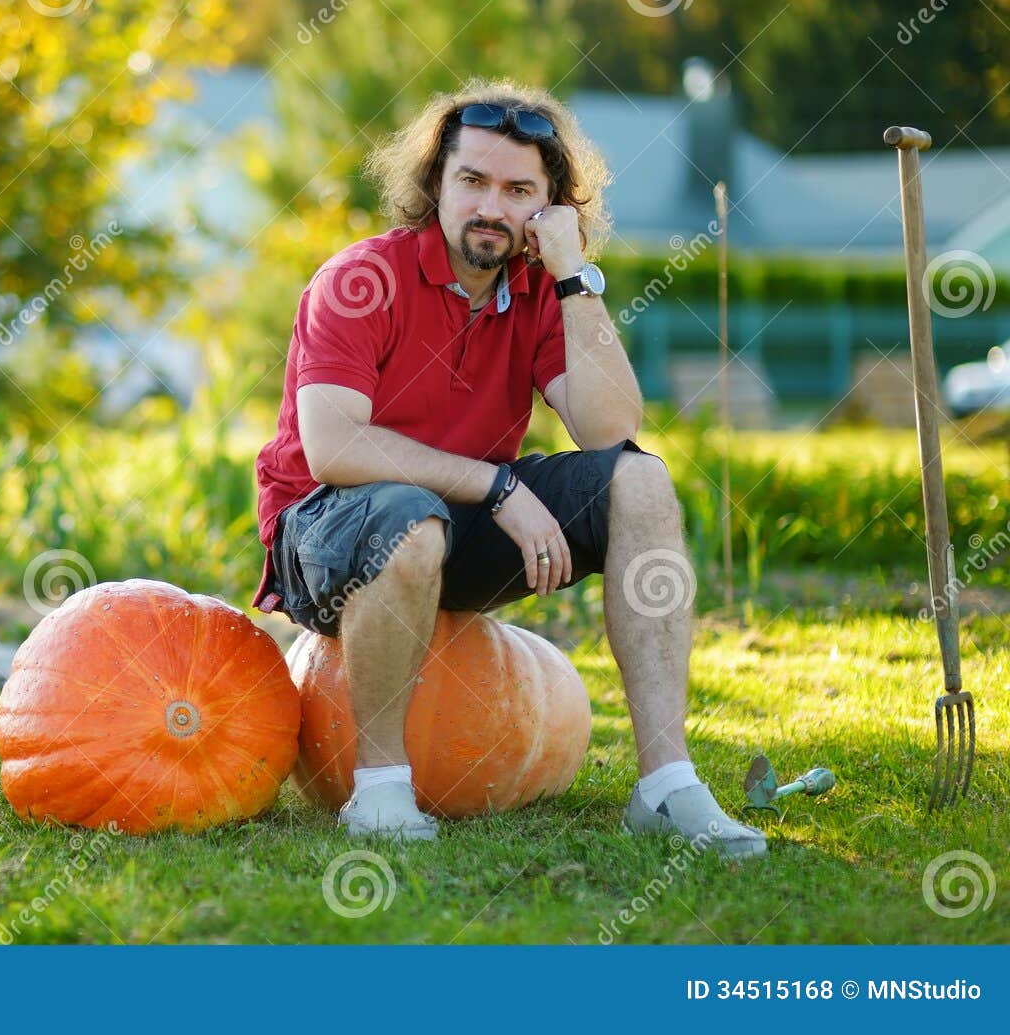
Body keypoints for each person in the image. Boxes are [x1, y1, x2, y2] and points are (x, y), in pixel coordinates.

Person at [250, 77, 765, 860]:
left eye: (520, 189)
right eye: (474, 181)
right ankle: (380, 791)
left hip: (454, 528)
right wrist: (500, 486)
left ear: (551, 206)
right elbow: (335, 447)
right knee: (410, 520)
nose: (493, 205)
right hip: (328, 536)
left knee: (640, 479)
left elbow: (610, 428)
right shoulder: (361, 281)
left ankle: (666, 783)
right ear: (435, 184)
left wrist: (570, 273)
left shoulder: (536, 293)